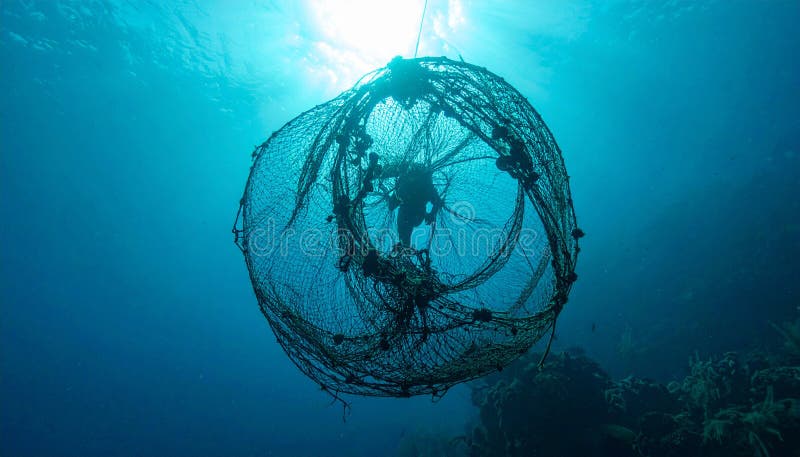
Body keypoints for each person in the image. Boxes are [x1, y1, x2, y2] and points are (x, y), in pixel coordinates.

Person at [386, 163, 442, 247]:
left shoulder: (425, 186)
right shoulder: (408, 184)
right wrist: (431, 214)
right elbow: (437, 201)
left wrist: (432, 214)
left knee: (405, 229)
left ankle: (404, 246)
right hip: (414, 214)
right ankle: (404, 246)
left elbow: (437, 201)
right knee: (405, 230)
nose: (413, 179)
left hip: (414, 214)